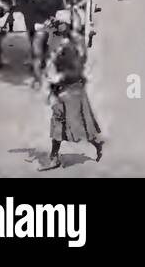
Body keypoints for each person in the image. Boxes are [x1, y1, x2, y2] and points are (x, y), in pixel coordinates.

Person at [37, 11, 103, 171]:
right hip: (63, 88)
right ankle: (54, 157)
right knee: (58, 121)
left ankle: (95, 142)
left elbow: (75, 70)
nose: (55, 26)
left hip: (71, 88)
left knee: (76, 124)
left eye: (58, 24)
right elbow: (44, 55)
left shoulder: (71, 46)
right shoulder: (58, 41)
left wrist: (57, 78)